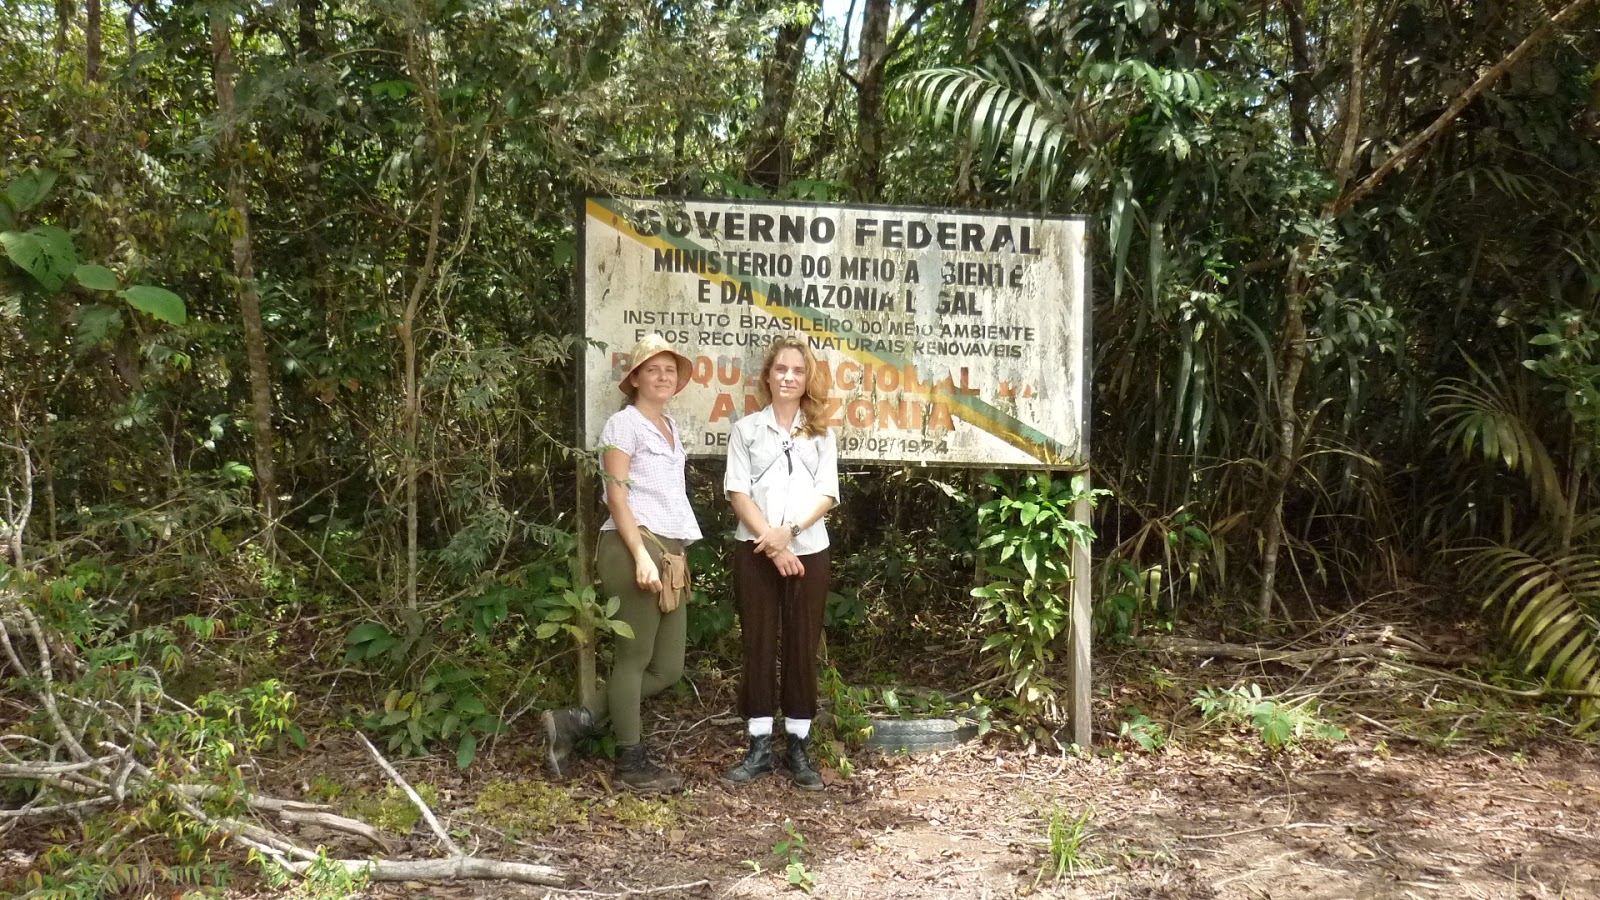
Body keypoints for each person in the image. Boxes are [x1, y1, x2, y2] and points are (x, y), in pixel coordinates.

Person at [543, 333, 701, 793]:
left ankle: (576, 720)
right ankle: (630, 763)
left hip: (669, 550)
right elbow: (617, 496)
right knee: (633, 659)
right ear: (635, 378)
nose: (663, 376)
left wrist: (677, 556)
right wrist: (641, 556)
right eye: (653, 369)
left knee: (668, 668)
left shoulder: (669, 427)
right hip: (635, 546)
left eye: (669, 370)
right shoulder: (623, 424)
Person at [720, 335, 839, 791]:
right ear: (767, 376)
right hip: (755, 552)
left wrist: (788, 533)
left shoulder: (821, 434)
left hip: (809, 551)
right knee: (757, 642)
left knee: (801, 645)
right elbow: (737, 492)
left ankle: (798, 744)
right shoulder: (746, 430)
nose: (789, 377)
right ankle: (757, 745)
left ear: (807, 380)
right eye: (781, 369)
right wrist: (772, 545)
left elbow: (827, 494)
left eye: (798, 371)